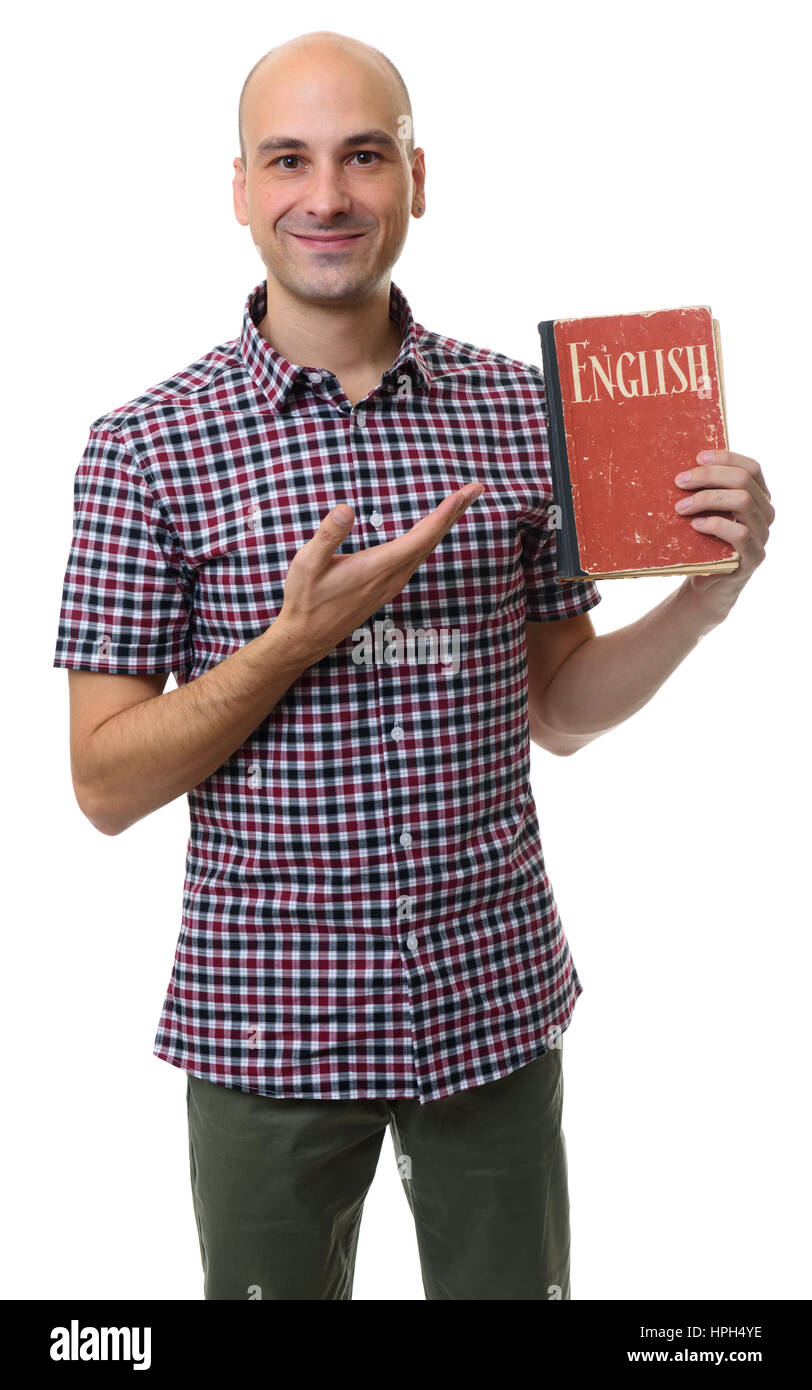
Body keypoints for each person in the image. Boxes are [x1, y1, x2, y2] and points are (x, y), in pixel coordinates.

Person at [53, 30, 774, 1301]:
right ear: (240, 189)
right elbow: (104, 785)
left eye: (362, 156)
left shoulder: (516, 409)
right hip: (266, 1022)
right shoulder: (142, 449)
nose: (325, 196)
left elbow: (557, 705)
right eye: (289, 159)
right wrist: (288, 647)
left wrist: (703, 603)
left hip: (490, 1005)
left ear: (415, 177)